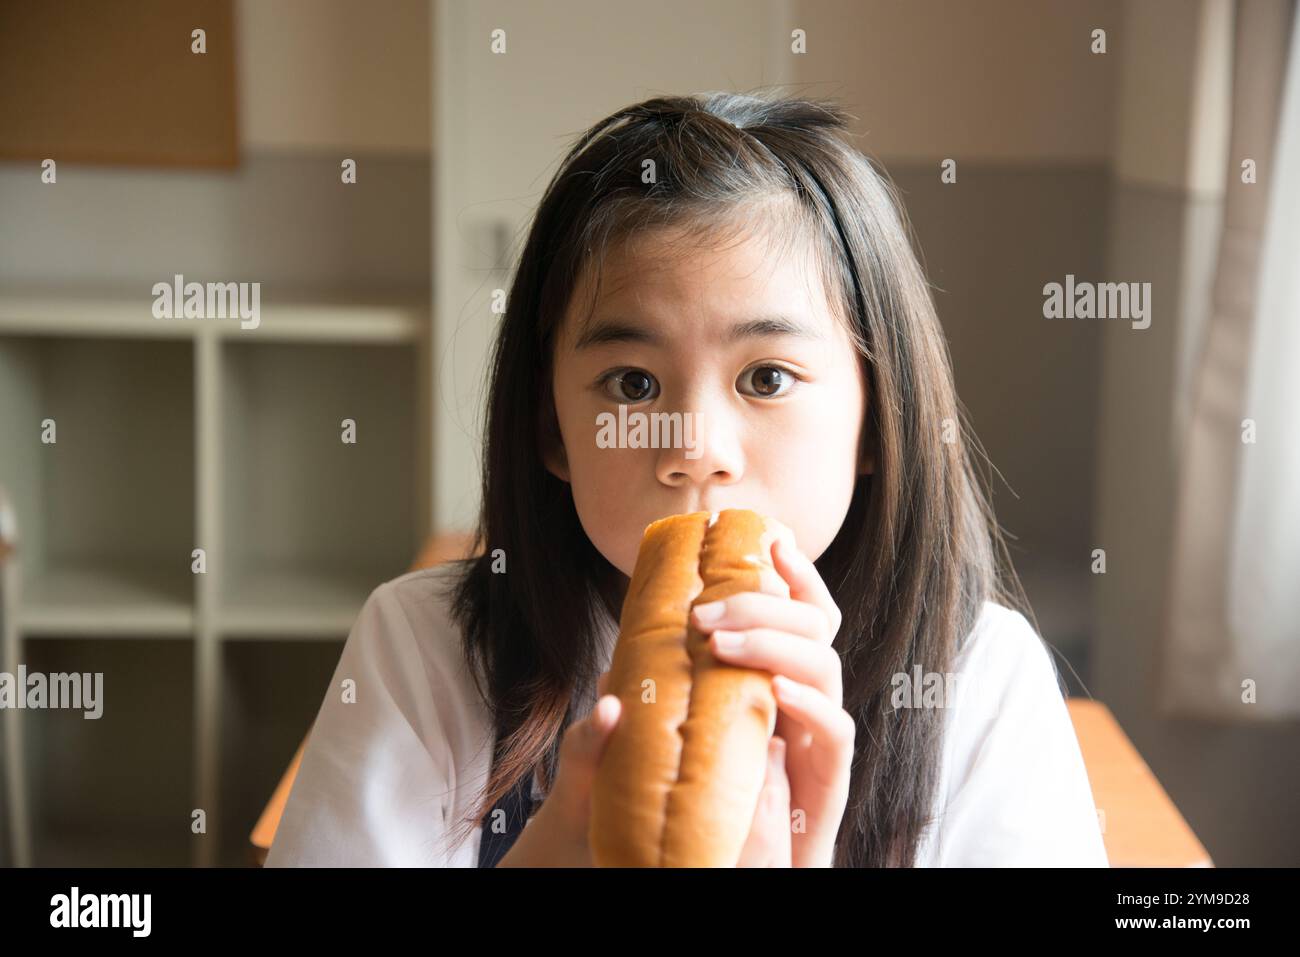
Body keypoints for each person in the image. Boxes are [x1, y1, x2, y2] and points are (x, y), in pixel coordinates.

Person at [266, 91, 1109, 868]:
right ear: (551, 430)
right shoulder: (425, 654)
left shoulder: (978, 685)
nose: (694, 446)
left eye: (766, 378)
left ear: (875, 425)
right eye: (632, 384)